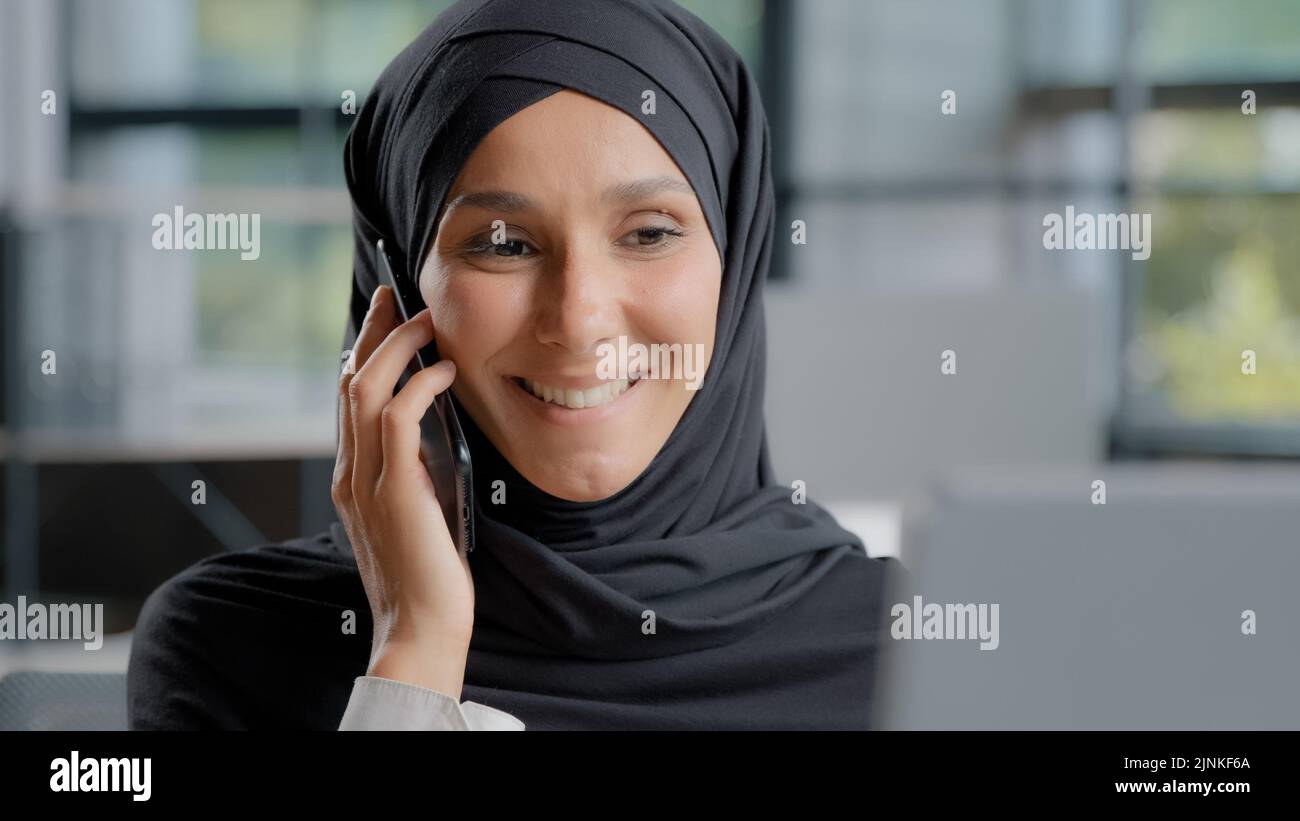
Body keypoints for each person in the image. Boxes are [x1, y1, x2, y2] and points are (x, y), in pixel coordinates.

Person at [128, 0, 895, 731]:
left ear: (736, 256)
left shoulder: (902, 651)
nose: (578, 318)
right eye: (503, 244)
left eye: (649, 233)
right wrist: (412, 659)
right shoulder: (231, 646)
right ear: (394, 294)